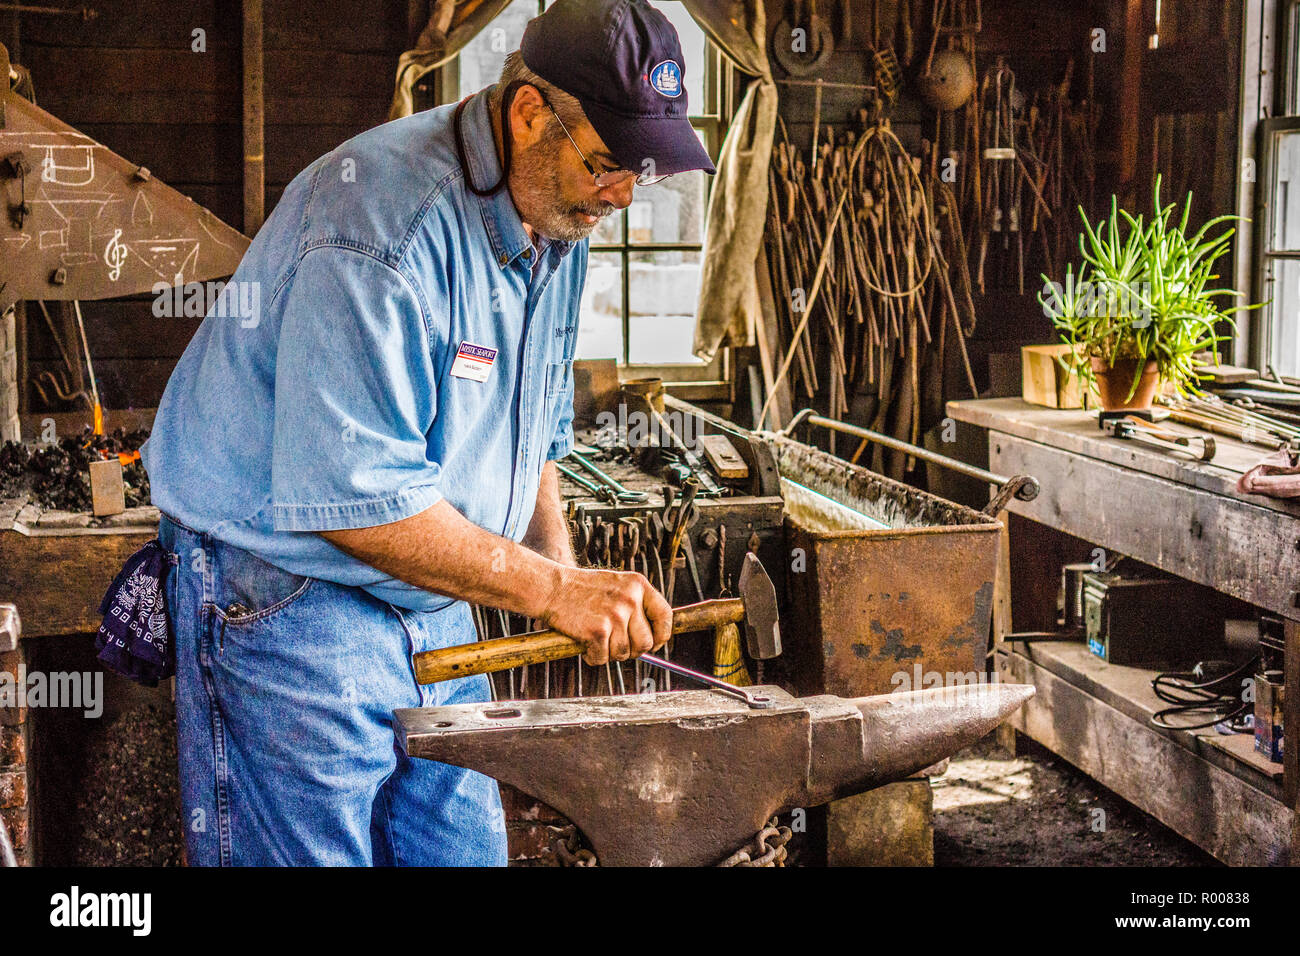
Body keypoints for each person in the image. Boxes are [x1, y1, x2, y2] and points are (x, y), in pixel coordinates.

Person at [141, 0, 714, 866]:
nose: (623, 195)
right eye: (607, 164)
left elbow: (535, 428)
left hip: (436, 591)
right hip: (291, 596)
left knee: (462, 853)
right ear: (529, 115)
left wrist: (556, 566)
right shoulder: (378, 224)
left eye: (640, 173)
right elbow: (356, 503)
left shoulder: (555, 215)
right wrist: (551, 594)